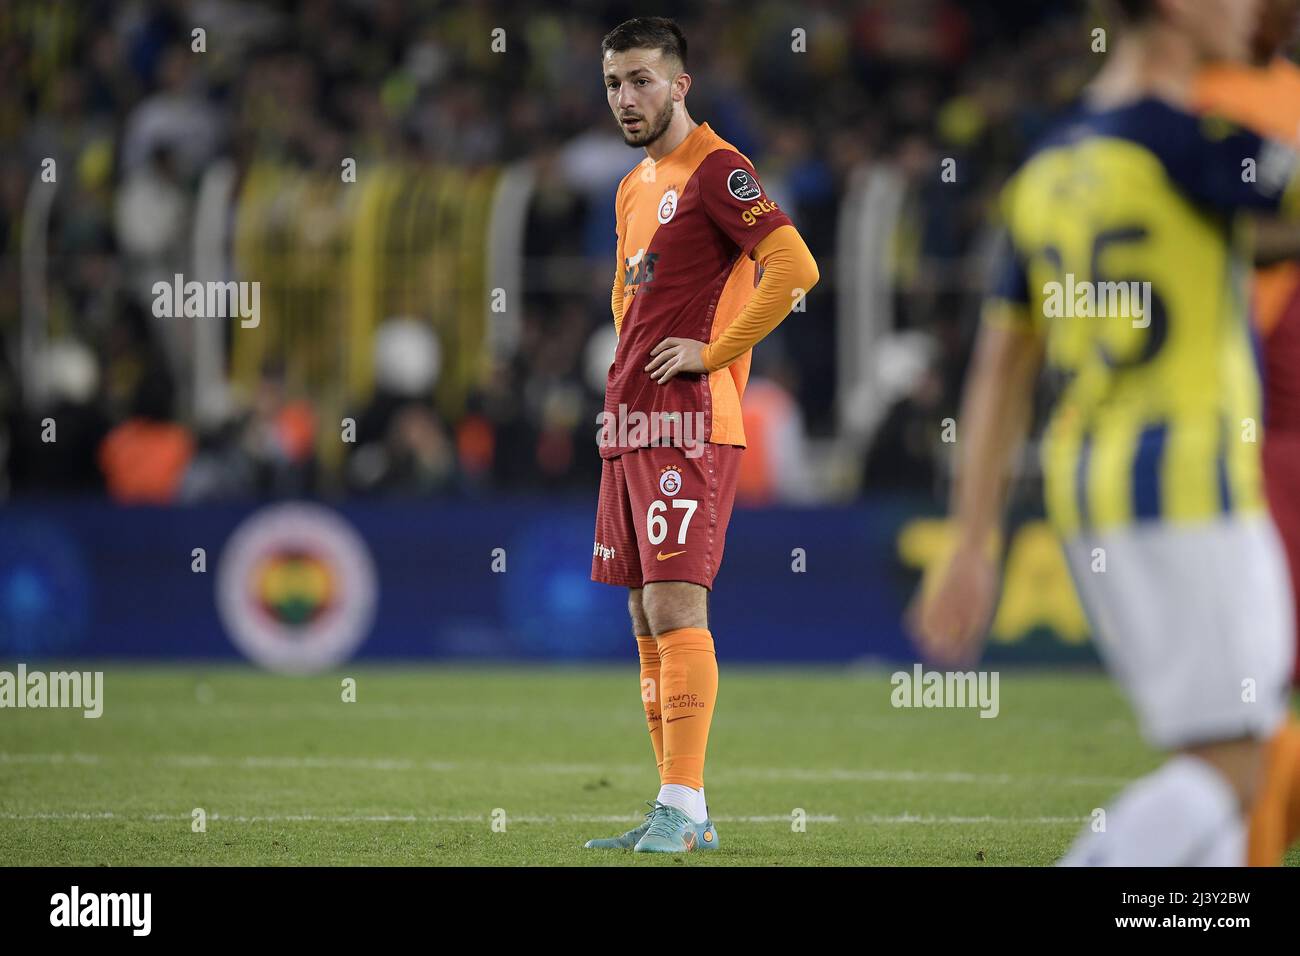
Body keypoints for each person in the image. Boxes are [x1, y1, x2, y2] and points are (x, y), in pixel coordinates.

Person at [585, 17, 819, 853]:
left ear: (681, 85)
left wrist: (717, 351)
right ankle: (677, 805)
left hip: (689, 419)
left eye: (643, 80)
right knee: (647, 614)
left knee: (679, 602)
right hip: (632, 417)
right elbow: (627, 299)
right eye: (614, 83)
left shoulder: (720, 170)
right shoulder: (632, 186)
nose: (626, 98)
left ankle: (683, 806)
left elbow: (795, 267)